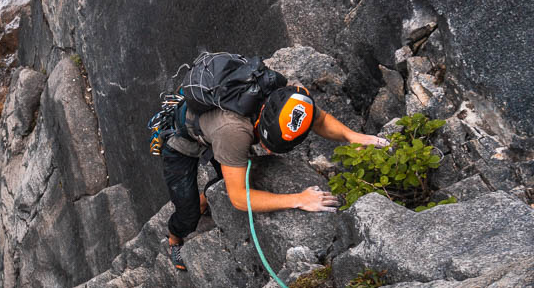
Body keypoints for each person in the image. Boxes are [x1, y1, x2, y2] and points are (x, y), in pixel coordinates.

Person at [162, 84, 389, 271]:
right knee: (188, 211)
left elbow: (317, 120)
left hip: (215, 132)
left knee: (225, 181)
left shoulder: (288, 99)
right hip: (182, 140)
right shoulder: (234, 132)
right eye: (266, 144)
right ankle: (174, 238)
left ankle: (206, 198)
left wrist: (352, 136)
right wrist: (299, 199)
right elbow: (239, 198)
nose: (268, 152)